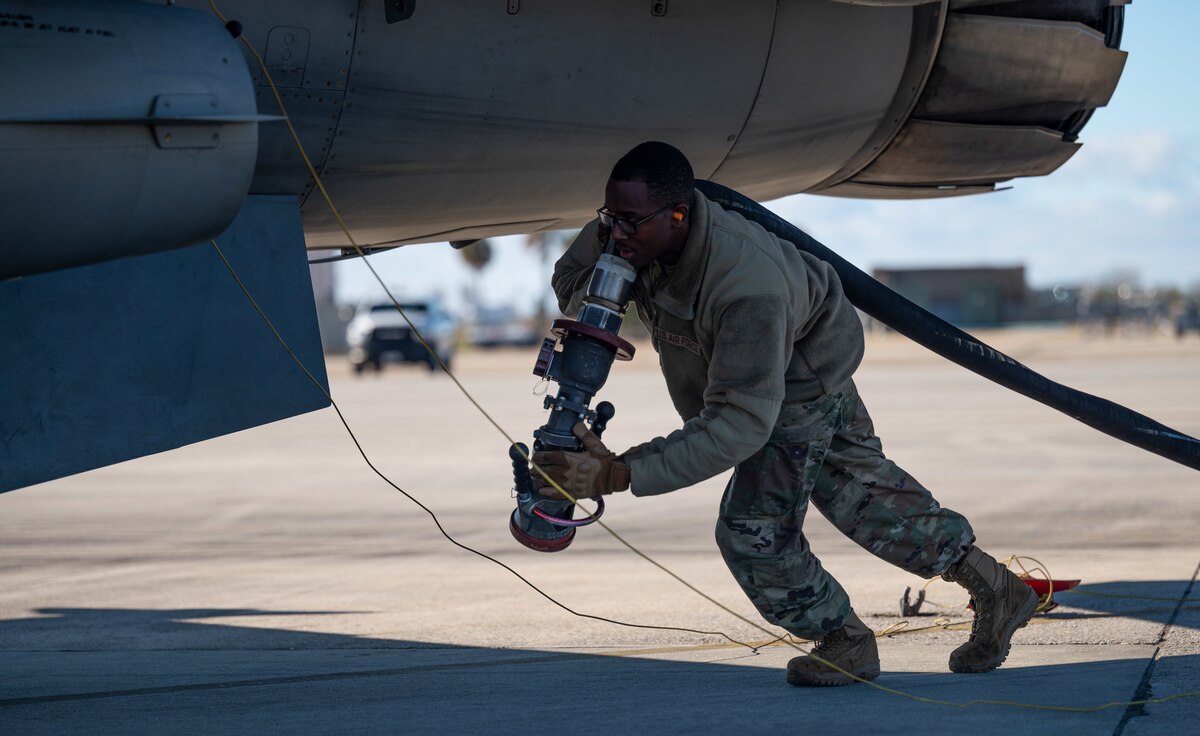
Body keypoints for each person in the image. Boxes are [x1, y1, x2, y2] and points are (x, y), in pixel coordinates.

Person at [533, 141, 1038, 687]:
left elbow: (739, 423)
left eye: (630, 222)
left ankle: (843, 640)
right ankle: (997, 587)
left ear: (678, 215)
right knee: (863, 492)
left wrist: (621, 473)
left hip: (798, 383)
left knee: (753, 531)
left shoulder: (746, 286)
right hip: (784, 367)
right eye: (609, 218)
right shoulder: (627, 234)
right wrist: (612, 274)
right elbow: (569, 279)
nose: (616, 233)